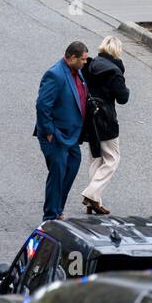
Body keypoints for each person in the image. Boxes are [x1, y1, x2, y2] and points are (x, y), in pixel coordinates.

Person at [34, 41, 90, 221]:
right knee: (57, 173)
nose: (85, 63)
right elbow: (43, 105)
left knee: (72, 166)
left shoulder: (78, 72)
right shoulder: (55, 74)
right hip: (56, 135)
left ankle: (58, 208)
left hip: (72, 135)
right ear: (72, 57)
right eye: (83, 59)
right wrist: (49, 131)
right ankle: (51, 216)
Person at [80, 35, 131, 215]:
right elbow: (123, 98)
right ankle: (91, 193)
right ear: (117, 51)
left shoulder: (91, 65)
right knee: (112, 158)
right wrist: (126, 86)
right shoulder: (114, 71)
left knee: (96, 157)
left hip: (90, 115)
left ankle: (94, 201)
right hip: (106, 118)